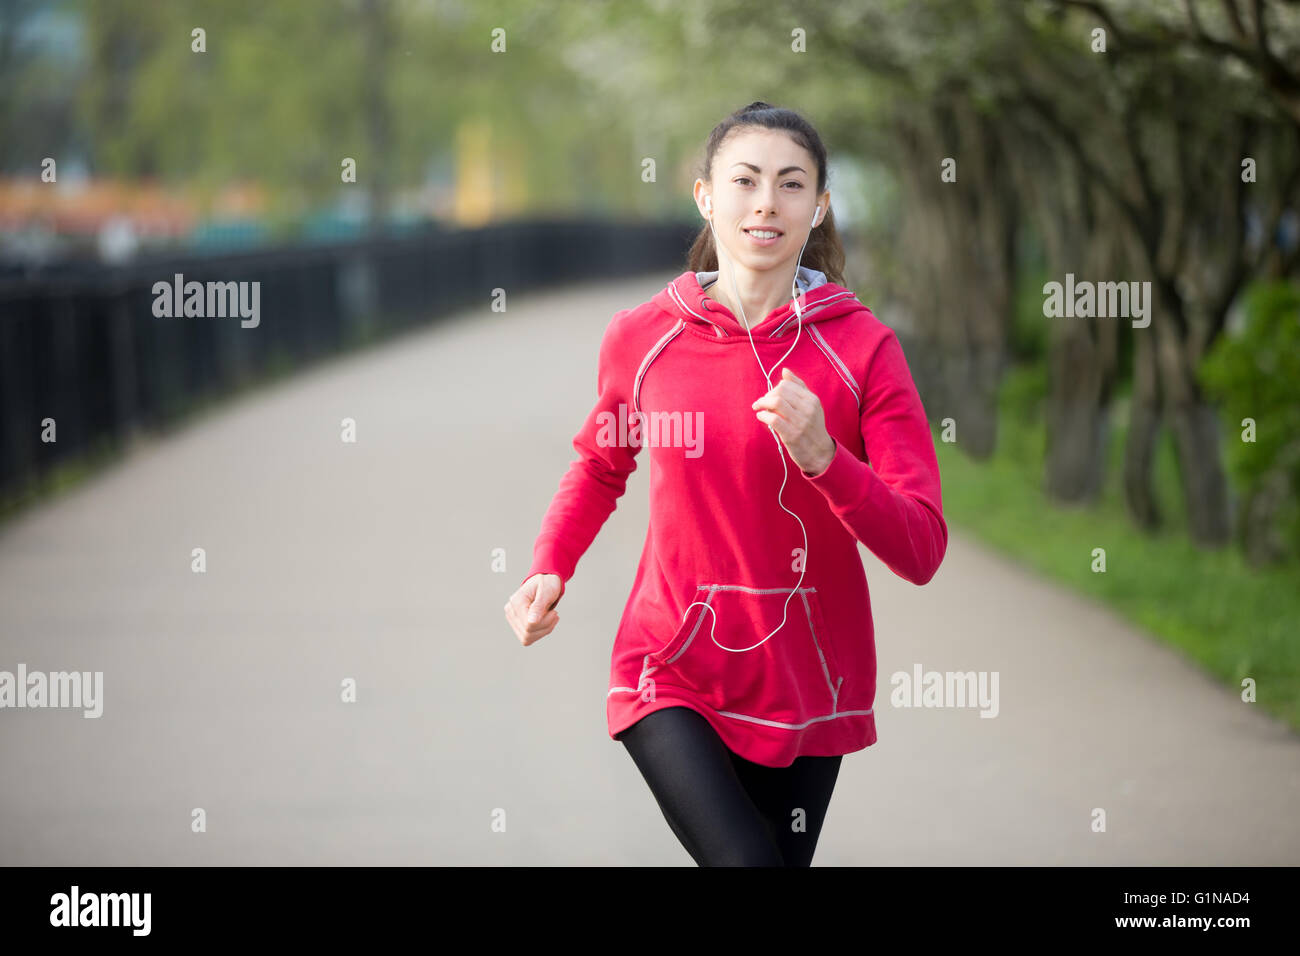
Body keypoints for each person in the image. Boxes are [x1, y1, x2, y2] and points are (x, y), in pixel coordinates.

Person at [504, 101, 948, 866]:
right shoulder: (644, 336)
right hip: (671, 661)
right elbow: (601, 463)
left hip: (808, 678)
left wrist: (825, 459)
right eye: (744, 181)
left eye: (791, 184)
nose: (766, 203)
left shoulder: (864, 349)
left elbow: (920, 546)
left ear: (820, 207)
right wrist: (549, 565)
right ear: (707, 197)